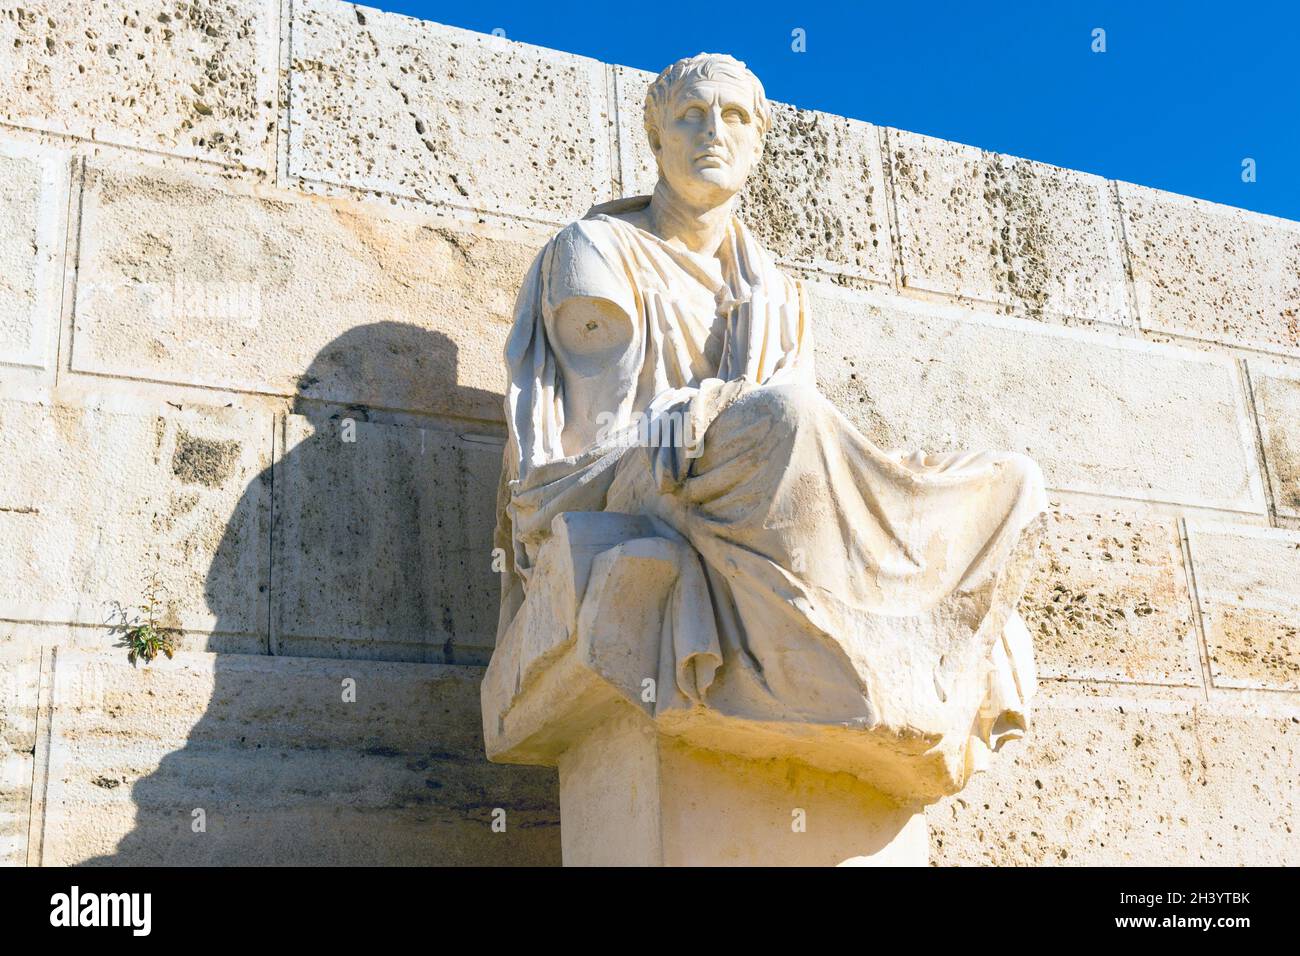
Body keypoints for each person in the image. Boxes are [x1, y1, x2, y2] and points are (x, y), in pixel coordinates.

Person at [494, 53, 1047, 794]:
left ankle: (886, 629)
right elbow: (598, 447)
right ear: (656, 140)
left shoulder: (774, 290)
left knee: (1010, 481)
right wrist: (708, 415)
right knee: (786, 416)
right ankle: (863, 627)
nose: (711, 132)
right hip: (636, 472)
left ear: (758, 144)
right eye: (690, 115)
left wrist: (739, 418)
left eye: (734, 117)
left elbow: (798, 466)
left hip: (746, 460)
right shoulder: (595, 253)